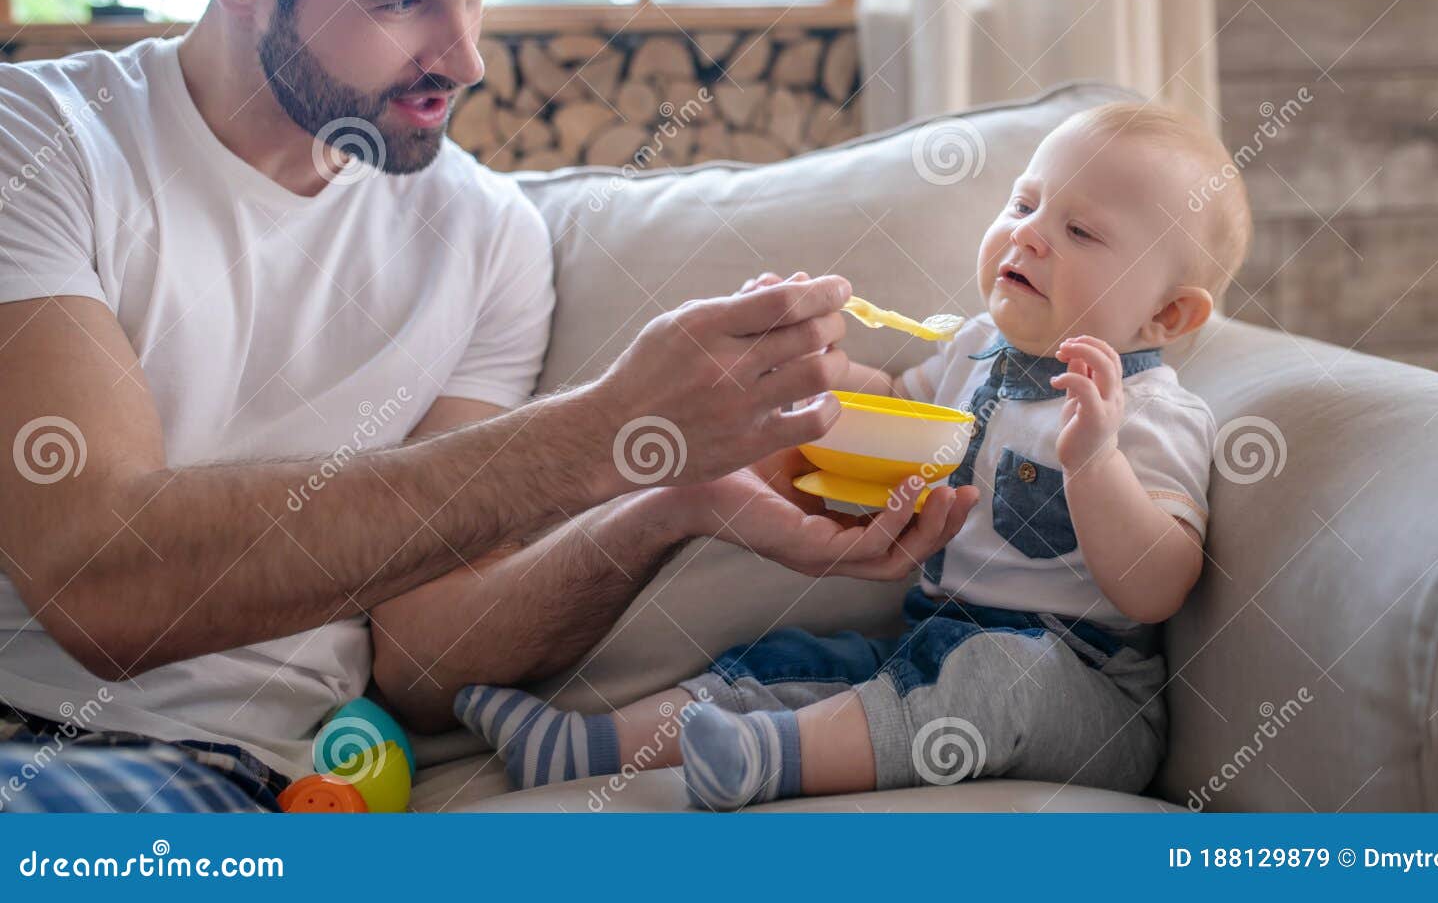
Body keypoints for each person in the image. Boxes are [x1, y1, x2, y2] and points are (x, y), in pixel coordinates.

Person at [0, 0, 974, 813]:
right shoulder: (42, 143)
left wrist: (666, 492)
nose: (465, 58)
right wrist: (599, 426)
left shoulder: (482, 236)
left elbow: (426, 662)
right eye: (402, 2)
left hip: (216, 779)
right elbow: (100, 578)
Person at [457, 102, 1252, 808]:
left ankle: (774, 758)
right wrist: (812, 361)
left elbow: (1157, 586)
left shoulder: (1150, 415)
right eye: (1024, 202)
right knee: (789, 662)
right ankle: (586, 747)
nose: (1029, 234)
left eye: (1079, 230)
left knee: (987, 680)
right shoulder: (974, 349)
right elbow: (898, 406)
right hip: (930, 638)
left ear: (1167, 313)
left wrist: (1094, 461)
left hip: (1083, 690)